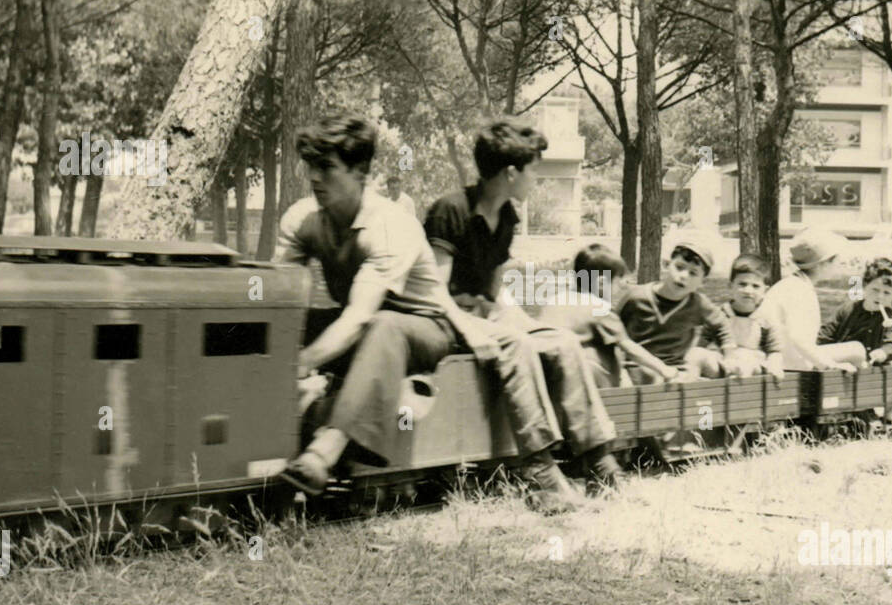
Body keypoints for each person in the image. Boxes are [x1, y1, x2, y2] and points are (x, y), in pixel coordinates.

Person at [274, 116, 588, 514]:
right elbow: (282, 297)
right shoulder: (301, 218)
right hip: (370, 326)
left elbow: (359, 317)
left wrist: (297, 364)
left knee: (381, 326)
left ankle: (326, 449)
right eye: (311, 167)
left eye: (327, 168)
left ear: (359, 172)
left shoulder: (388, 226)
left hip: (426, 327)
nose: (315, 177)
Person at [422, 118, 621, 487]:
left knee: (561, 341)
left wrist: (530, 325)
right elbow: (433, 292)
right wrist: (474, 328)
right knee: (519, 344)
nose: (536, 179)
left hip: (483, 316)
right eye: (534, 171)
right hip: (443, 319)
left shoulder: (507, 216)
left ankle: (596, 456)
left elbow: (496, 292)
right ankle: (539, 468)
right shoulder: (449, 211)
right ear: (511, 173)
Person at [538, 243, 681, 388]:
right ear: (601, 283)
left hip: (546, 376)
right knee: (611, 352)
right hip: (581, 381)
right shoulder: (597, 307)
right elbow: (628, 347)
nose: (621, 287)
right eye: (618, 283)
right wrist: (665, 369)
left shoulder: (556, 299)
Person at [615, 237, 748, 379]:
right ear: (666, 265)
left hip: (676, 369)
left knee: (702, 360)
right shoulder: (636, 296)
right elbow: (612, 325)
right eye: (679, 267)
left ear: (702, 282)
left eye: (693, 273)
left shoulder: (698, 303)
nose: (684, 276)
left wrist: (729, 355)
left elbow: (722, 327)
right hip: (637, 366)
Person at [758, 227, 864, 371]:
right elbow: (798, 339)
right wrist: (829, 365)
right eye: (836, 259)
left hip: (783, 356)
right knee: (857, 351)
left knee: (856, 353)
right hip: (788, 362)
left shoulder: (792, 284)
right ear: (823, 263)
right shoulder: (800, 290)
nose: (840, 263)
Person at [700, 253, 786, 379]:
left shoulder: (766, 319)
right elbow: (702, 341)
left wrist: (775, 365)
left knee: (750, 361)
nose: (748, 291)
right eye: (742, 284)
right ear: (731, 286)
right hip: (724, 362)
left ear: (765, 291)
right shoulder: (719, 314)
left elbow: (775, 350)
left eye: (755, 286)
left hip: (752, 365)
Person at [818, 257, 892, 366]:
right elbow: (826, 335)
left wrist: (883, 352)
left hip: (874, 367)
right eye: (875, 290)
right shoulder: (848, 310)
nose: (880, 296)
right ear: (865, 286)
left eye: (887, 293)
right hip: (845, 363)